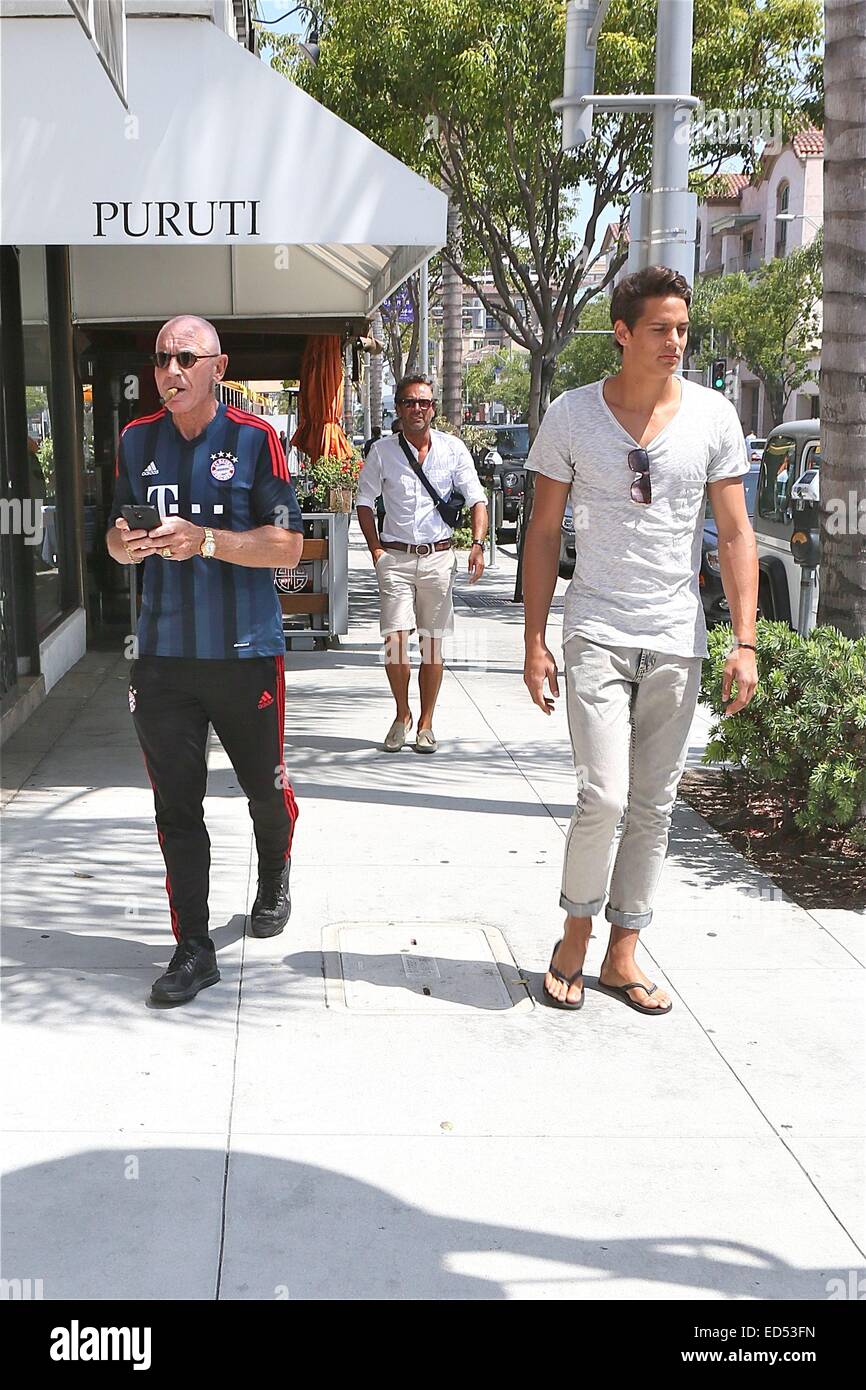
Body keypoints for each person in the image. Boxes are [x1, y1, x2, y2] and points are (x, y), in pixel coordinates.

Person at [523, 265, 758, 1015]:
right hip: (594, 624)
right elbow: (542, 530)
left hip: (676, 635)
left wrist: (743, 641)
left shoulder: (714, 416)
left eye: (683, 328)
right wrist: (534, 638)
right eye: (660, 328)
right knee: (605, 793)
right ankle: (574, 936)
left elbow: (734, 531)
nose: (675, 341)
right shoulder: (571, 415)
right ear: (621, 333)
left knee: (654, 803)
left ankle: (625, 954)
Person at [107, 315, 304, 1006]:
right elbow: (111, 531)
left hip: (245, 654)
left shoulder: (257, 441)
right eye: (163, 359)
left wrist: (208, 541)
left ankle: (275, 871)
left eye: (187, 358)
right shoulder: (138, 440)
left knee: (264, 792)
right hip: (162, 659)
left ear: (219, 367)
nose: (172, 371)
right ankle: (194, 946)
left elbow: (287, 548)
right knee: (175, 809)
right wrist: (122, 547)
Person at [356, 373, 488, 753]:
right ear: (398, 409)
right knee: (395, 642)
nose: (417, 409)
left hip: (438, 558)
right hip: (395, 558)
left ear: (433, 409)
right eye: (410, 402)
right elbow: (364, 502)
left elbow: (476, 498)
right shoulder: (382, 452)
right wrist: (376, 551)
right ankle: (402, 714)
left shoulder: (453, 450)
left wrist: (477, 545)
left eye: (424, 403)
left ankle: (426, 723)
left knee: (433, 645)